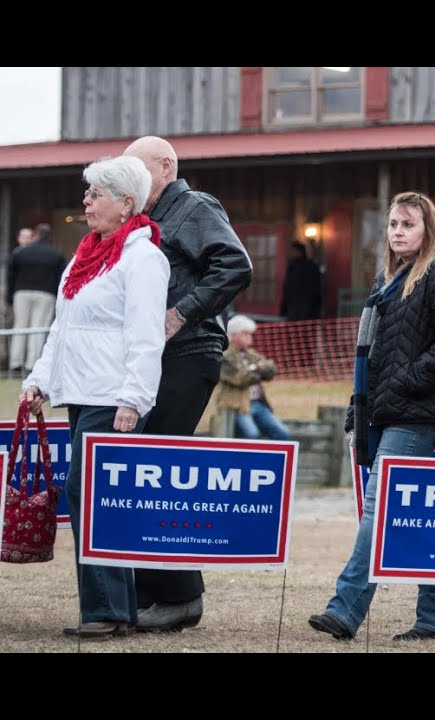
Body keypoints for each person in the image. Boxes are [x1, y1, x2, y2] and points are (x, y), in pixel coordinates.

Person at [308, 191, 435, 642]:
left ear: (428, 230)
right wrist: (354, 408)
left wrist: (406, 381)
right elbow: (374, 357)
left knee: (378, 507)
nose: (398, 232)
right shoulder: (388, 281)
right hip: (384, 410)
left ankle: (345, 607)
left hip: (418, 413)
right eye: (393, 225)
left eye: (408, 225)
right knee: (409, 512)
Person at [21, 156, 168, 638]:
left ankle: (106, 611)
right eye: (87, 193)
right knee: (95, 498)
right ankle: (112, 610)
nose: (86, 201)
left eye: (96, 194)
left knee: (91, 494)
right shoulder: (84, 255)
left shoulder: (143, 258)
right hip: (80, 390)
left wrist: (133, 399)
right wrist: (40, 377)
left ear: (126, 203)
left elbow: (146, 336)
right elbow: (63, 329)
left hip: (112, 395)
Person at [122, 135, 253, 632]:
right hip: (158, 358)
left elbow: (236, 264)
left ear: (165, 166)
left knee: (157, 466)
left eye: (137, 169)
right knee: (141, 468)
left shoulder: (192, 205)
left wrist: (181, 313)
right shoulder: (148, 219)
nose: (130, 181)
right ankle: (151, 590)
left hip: (190, 352)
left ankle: (180, 597)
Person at [216, 314, 290, 441]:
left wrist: (253, 368)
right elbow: (241, 379)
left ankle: (269, 461)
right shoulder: (225, 356)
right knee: (251, 435)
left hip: (258, 403)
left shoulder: (251, 354)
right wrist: (257, 368)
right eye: (246, 334)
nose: (250, 338)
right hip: (236, 404)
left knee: (282, 433)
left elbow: (271, 369)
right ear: (234, 335)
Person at [8, 223, 66, 373]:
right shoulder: (56, 255)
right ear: (50, 237)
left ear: (36, 235)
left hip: (22, 292)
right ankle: (31, 364)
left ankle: (15, 363)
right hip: (45, 294)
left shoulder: (21, 253)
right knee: (38, 329)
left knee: (20, 327)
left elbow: (11, 275)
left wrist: (10, 295)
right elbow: (62, 277)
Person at [280, 241, 323, 321]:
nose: (289, 253)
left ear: (299, 251)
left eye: (292, 250)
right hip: (294, 309)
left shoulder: (310, 267)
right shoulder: (292, 267)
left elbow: (315, 289)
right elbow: (287, 289)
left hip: (307, 310)